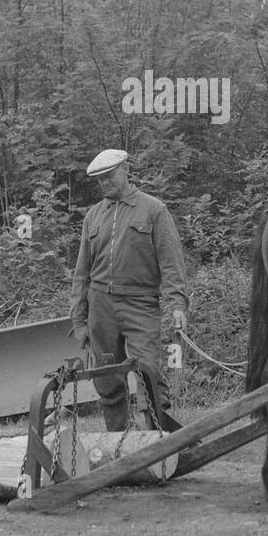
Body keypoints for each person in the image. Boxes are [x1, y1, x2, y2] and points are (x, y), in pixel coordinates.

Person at [70, 149, 188, 432]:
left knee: (148, 370)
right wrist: (78, 320)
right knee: (106, 377)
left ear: (125, 170)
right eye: (99, 180)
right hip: (100, 307)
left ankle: (157, 440)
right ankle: (117, 443)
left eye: (109, 176)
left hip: (140, 303)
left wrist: (177, 306)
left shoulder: (154, 210)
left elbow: (171, 263)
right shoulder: (93, 217)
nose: (105, 183)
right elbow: (81, 273)